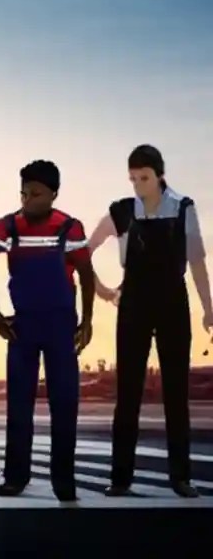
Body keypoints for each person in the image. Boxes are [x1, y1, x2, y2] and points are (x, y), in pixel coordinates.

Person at [86, 144, 210, 498]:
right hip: (134, 305)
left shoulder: (184, 208)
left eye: (144, 178)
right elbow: (83, 251)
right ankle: (120, 478)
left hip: (173, 302)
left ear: (160, 175)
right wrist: (105, 291)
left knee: (176, 392)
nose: (138, 185)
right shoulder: (121, 211)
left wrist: (209, 308)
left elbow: (198, 260)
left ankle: (181, 477)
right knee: (127, 393)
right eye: (133, 179)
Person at [0, 159, 96, 502]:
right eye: (24, 192)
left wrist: (87, 323)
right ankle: (16, 476)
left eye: (36, 193)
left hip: (61, 325)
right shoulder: (7, 226)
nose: (27, 200)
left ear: (53, 194)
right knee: (18, 405)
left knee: (64, 404)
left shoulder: (69, 228)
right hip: (23, 326)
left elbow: (87, 275)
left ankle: (64, 481)